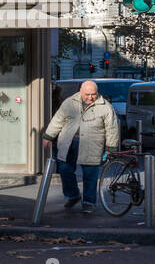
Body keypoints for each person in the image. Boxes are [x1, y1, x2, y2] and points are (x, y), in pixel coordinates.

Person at [42, 79, 119, 214]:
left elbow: (112, 128)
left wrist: (111, 147)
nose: (90, 97)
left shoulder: (105, 106)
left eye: (93, 94)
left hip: (92, 145)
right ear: (80, 92)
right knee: (65, 170)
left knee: (90, 175)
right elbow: (58, 120)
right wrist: (48, 136)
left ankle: (88, 203)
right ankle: (73, 195)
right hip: (69, 142)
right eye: (87, 94)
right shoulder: (69, 102)